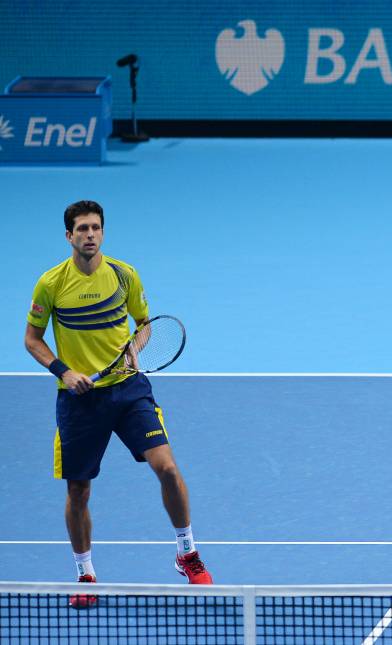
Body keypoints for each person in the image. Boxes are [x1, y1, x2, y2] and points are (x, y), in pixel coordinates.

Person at [24, 200, 212, 607]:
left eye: (95, 228)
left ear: (103, 232)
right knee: (78, 490)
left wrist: (134, 349)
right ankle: (85, 574)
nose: (89, 234)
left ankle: (187, 553)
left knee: (167, 468)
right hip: (80, 400)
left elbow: (143, 325)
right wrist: (64, 371)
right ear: (68, 236)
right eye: (82, 229)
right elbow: (32, 340)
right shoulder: (51, 284)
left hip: (128, 390)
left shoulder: (124, 276)